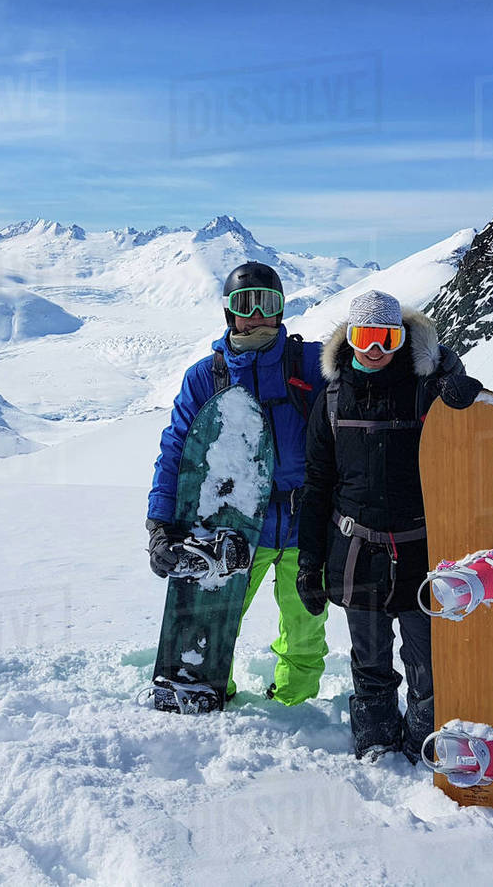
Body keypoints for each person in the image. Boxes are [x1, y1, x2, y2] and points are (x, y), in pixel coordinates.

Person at [295, 289, 483, 761]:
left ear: (401, 339)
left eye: (386, 337)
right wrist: (309, 562)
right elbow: (317, 485)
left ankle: (426, 743)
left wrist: (458, 382)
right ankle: (376, 737)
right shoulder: (333, 400)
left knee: (427, 662)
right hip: (356, 553)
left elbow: (461, 418)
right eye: (364, 337)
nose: (375, 349)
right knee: (370, 659)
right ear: (348, 340)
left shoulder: (424, 390)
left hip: (421, 553)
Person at [147, 261, 329, 705]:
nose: (258, 315)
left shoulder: (312, 363)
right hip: (233, 526)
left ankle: (294, 704)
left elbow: (373, 375)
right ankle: (209, 691)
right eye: (245, 304)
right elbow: (176, 450)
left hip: (307, 524)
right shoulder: (206, 377)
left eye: (269, 304)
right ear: (229, 313)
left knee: (305, 624)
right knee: (213, 621)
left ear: (282, 309)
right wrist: (159, 524)